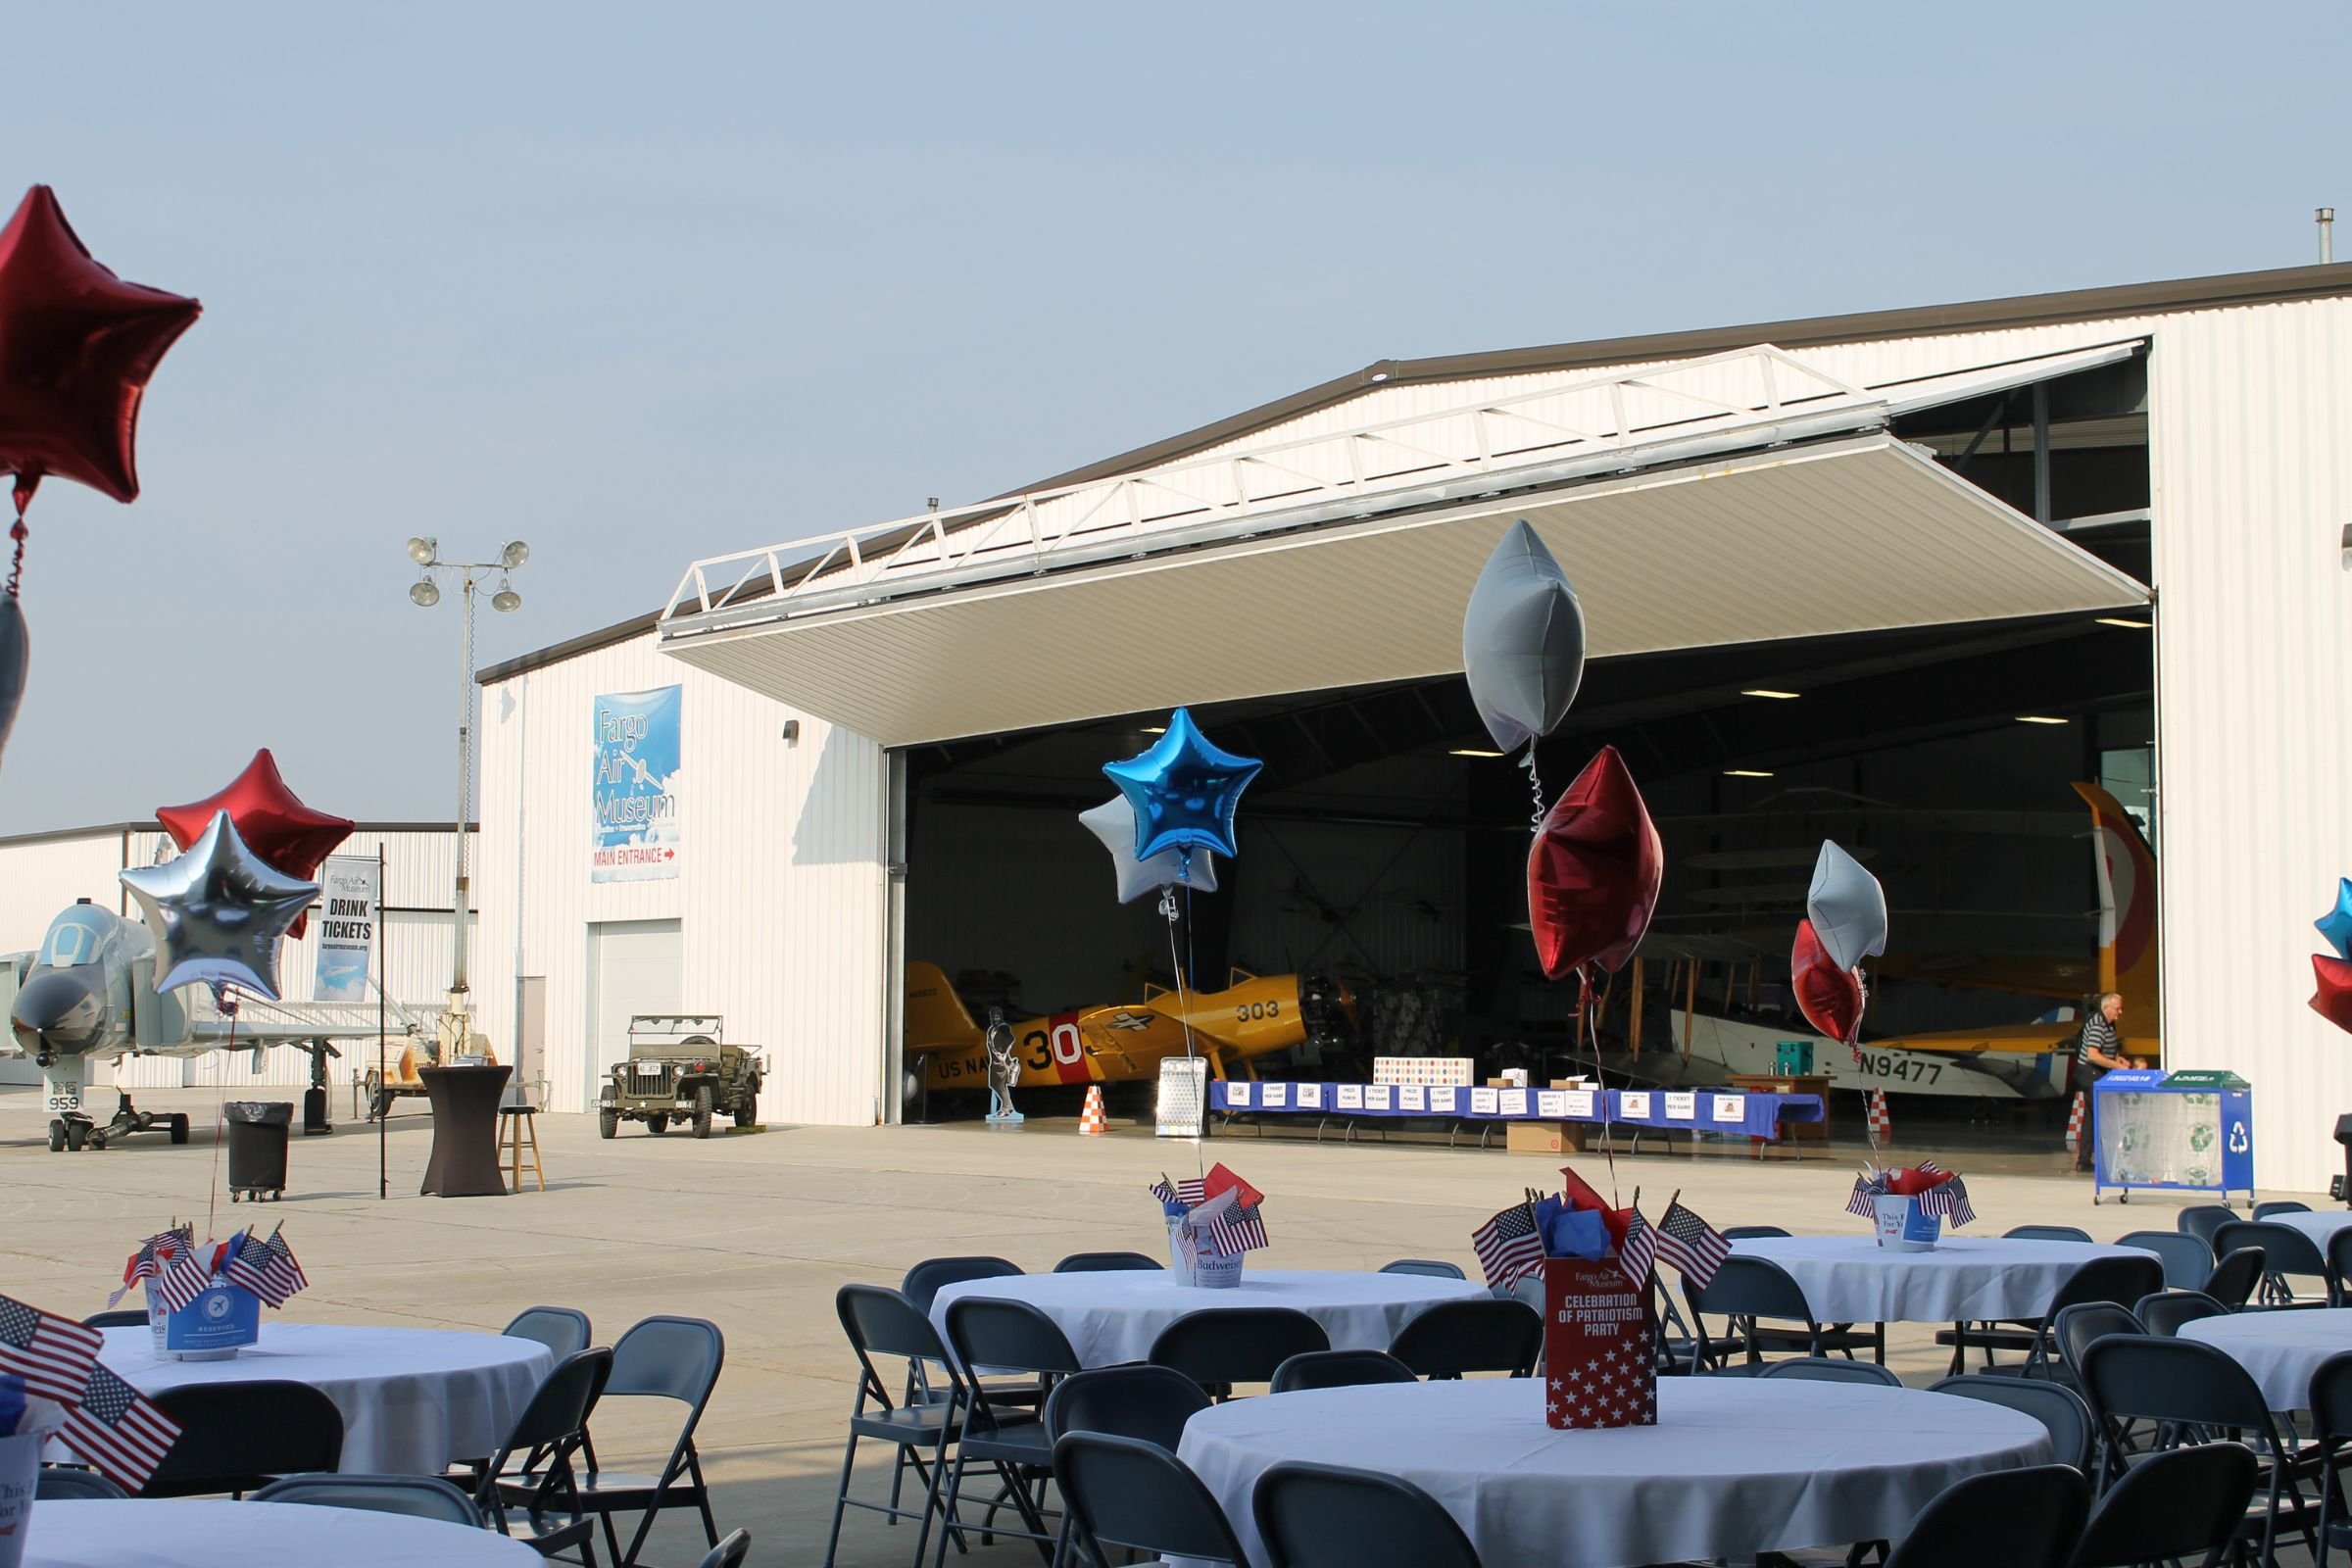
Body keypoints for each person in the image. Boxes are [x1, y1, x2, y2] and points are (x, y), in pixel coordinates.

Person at [2072, 992, 2134, 1172]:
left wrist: (2117, 1058)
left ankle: (2084, 1160)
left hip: (2095, 1071)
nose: (2120, 1012)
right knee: (2103, 1114)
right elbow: (2093, 1055)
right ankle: (2107, 1160)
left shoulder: (2109, 1024)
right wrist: (2117, 1066)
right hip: (2089, 1071)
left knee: (2091, 1117)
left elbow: (2107, 1048)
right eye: (2117, 1008)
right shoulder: (2098, 1025)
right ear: (2106, 1008)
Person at [983, 1006, 1022, 1124]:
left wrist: (1003, 1054)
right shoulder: (991, 1029)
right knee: (994, 1084)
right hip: (995, 1061)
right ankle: (1009, 1107)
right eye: (993, 1017)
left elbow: (1011, 1039)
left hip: (1002, 1061)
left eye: (997, 1016)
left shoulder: (1004, 1027)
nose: (995, 1019)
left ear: (1000, 1017)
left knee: (1000, 1084)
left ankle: (1006, 1109)